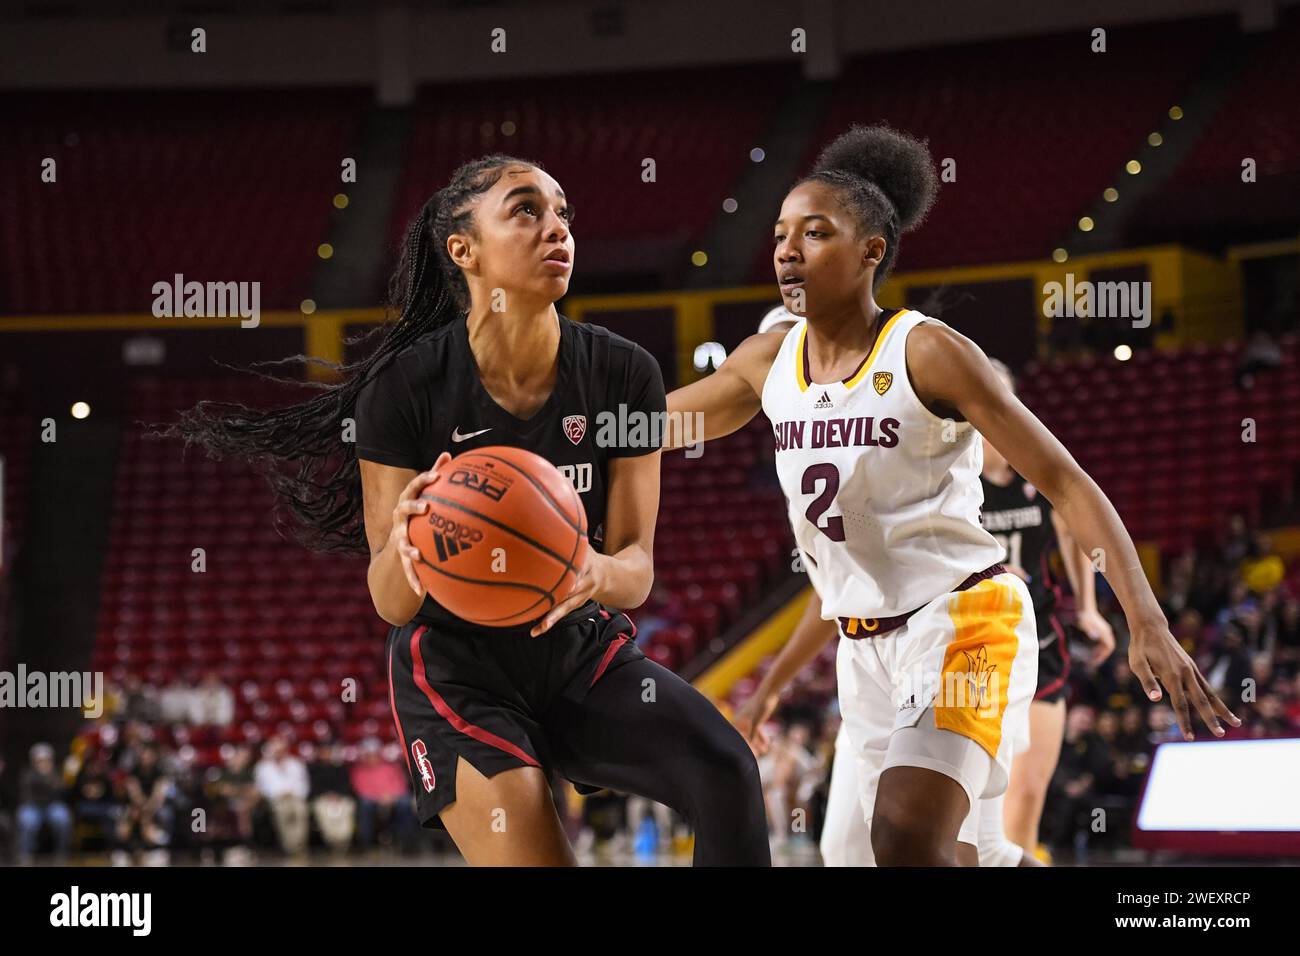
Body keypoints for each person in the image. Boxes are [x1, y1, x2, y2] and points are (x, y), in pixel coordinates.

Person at [155, 154, 769, 866]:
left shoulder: (622, 372)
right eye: (526, 210)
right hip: (456, 672)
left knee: (726, 770)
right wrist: (409, 548)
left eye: (563, 212)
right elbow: (388, 600)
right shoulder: (407, 388)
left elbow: (635, 569)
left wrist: (596, 571)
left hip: (578, 651)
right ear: (463, 248)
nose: (557, 228)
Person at [669, 123, 1236, 866]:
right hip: (861, 648)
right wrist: (542, 418)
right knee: (903, 855)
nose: (786, 250)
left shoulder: (926, 350)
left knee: (904, 836)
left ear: (872, 250)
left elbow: (1066, 481)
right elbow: (651, 423)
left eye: (814, 233)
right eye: (780, 234)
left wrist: (1147, 619)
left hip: (963, 620)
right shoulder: (769, 359)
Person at [978, 357, 1115, 863]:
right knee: (981, 805)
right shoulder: (953, 471)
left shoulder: (1035, 465)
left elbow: (1074, 531)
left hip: (1036, 642)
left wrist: (1088, 608)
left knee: (1029, 792)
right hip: (973, 648)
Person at [253, 736, 310, 856]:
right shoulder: (262, 767)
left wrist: (295, 794)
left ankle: (299, 844)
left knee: (301, 812)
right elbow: (262, 787)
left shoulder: (296, 764)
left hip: (296, 797)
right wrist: (279, 794)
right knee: (283, 813)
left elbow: (304, 783)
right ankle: (290, 847)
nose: (279, 753)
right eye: (276, 750)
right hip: (276, 798)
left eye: (282, 750)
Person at [16, 742, 72, 863]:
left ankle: (61, 853)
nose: (43, 763)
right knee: (28, 822)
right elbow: (30, 791)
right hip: (33, 806)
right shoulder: (28, 774)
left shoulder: (56, 773)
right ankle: (26, 854)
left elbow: (62, 791)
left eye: (46, 760)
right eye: (40, 760)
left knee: (63, 818)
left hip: (52, 806)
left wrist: (54, 781)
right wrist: (47, 780)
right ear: (34, 761)